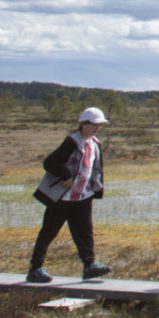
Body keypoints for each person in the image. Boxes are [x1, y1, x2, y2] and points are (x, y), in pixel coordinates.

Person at [26, 106, 113, 283]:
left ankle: (89, 266)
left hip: (82, 196)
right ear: (83, 124)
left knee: (85, 232)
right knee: (49, 232)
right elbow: (50, 162)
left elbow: (94, 169)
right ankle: (35, 269)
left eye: (99, 125)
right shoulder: (72, 142)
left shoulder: (95, 143)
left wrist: (94, 188)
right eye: (94, 125)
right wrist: (65, 174)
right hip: (62, 198)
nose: (97, 129)